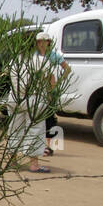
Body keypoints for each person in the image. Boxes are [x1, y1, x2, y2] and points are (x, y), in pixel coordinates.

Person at [8, 33, 52, 172]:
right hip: (35, 99)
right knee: (35, 130)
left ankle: (12, 161)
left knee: (14, 129)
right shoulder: (41, 60)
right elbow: (50, 79)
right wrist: (51, 96)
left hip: (15, 98)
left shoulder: (14, 61)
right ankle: (34, 164)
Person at [35, 31, 70, 155]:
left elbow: (67, 68)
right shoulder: (34, 55)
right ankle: (37, 146)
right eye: (39, 41)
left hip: (49, 91)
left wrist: (58, 83)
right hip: (36, 90)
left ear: (49, 42)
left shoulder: (53, 55)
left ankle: (48, 146)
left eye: (45, 41)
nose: (42, 44)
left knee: (48, 118)